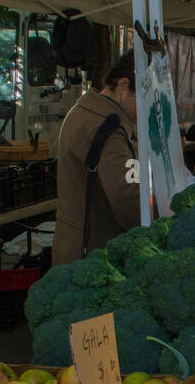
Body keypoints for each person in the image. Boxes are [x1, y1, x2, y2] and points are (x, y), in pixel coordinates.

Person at [52, 50, 141, 265]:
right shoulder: (108, 126)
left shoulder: (84, 109)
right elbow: (126, 198)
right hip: (91, 255)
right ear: (122, 86)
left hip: (72, 245)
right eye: (144, 98)